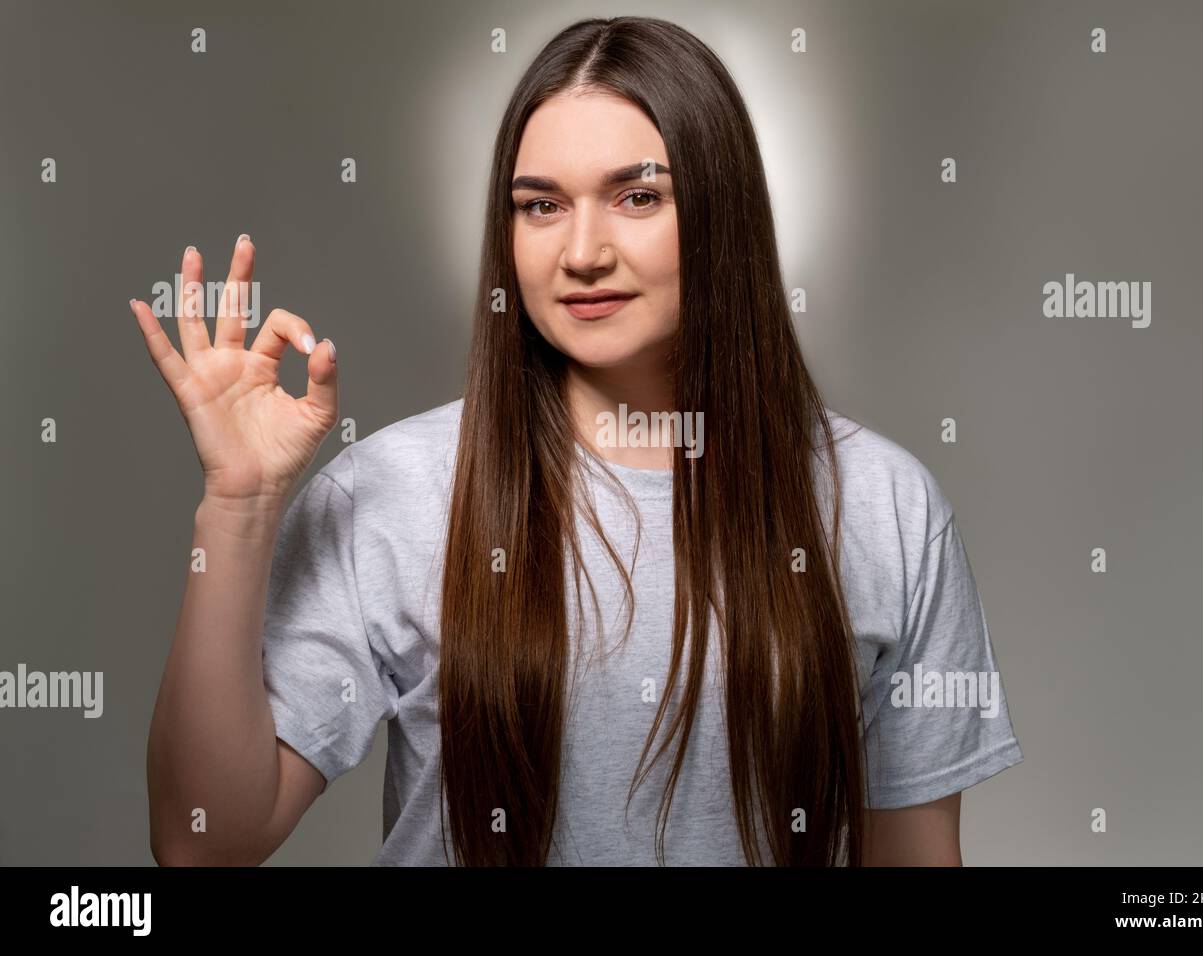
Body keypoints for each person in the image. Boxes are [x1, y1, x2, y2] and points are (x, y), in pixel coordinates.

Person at [138, 15, 1022, 867]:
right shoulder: (391, 493)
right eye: (541, 206)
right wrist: (238, 507)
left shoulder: (886, 507)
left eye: (639, 196)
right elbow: (205, 841)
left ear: (724, 212)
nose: (582, 251)